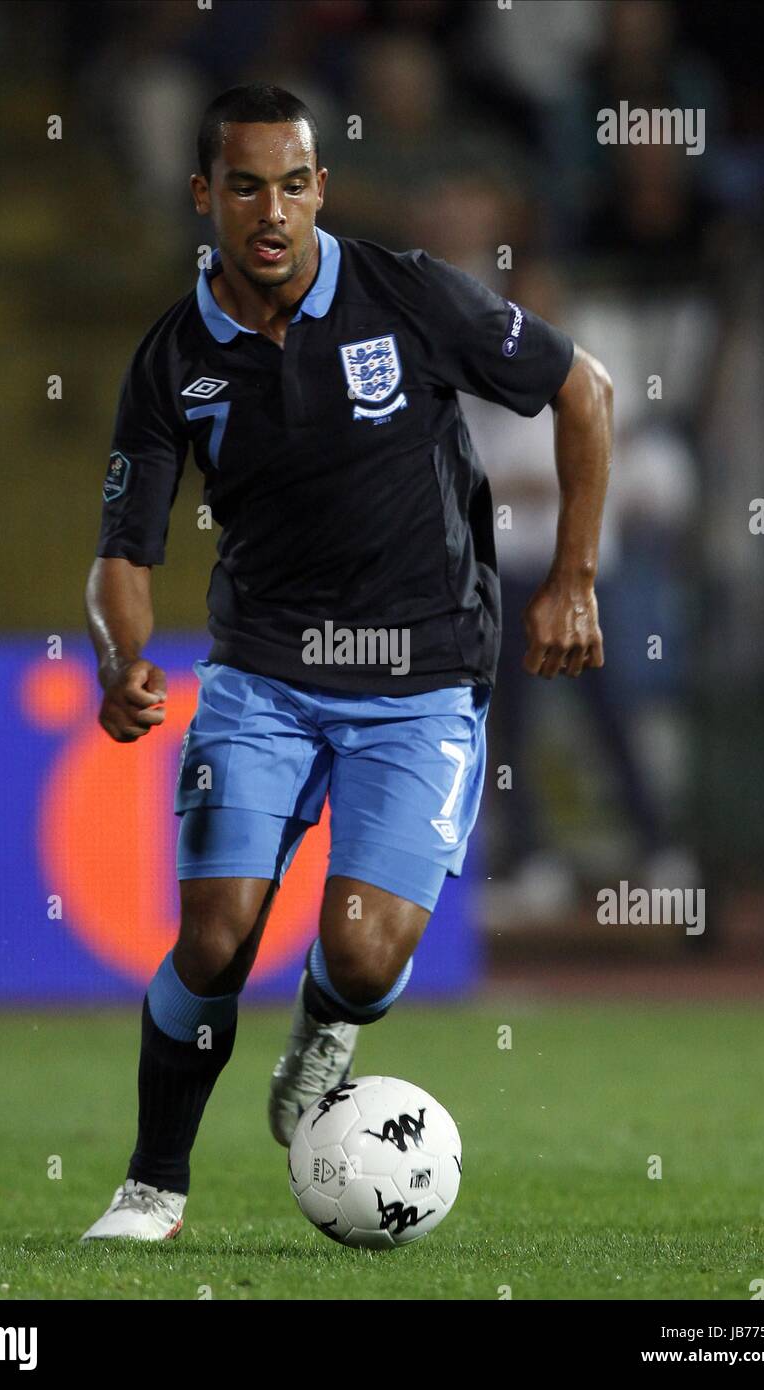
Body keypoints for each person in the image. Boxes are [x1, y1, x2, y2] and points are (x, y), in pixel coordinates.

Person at [80, 82, 612, 1241]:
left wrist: (571, 578)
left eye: (291, 183)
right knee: (216, 931)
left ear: (319, 185)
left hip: (420, 679)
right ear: (204, 195)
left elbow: (583, 389)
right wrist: (124, 656)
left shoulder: (406, 294)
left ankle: (331, 1022)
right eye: (243, 186)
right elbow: (122, 552)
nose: (269, 210)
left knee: (364, 954)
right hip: (264, 675)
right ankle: (152, 1186)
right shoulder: (174, 357)